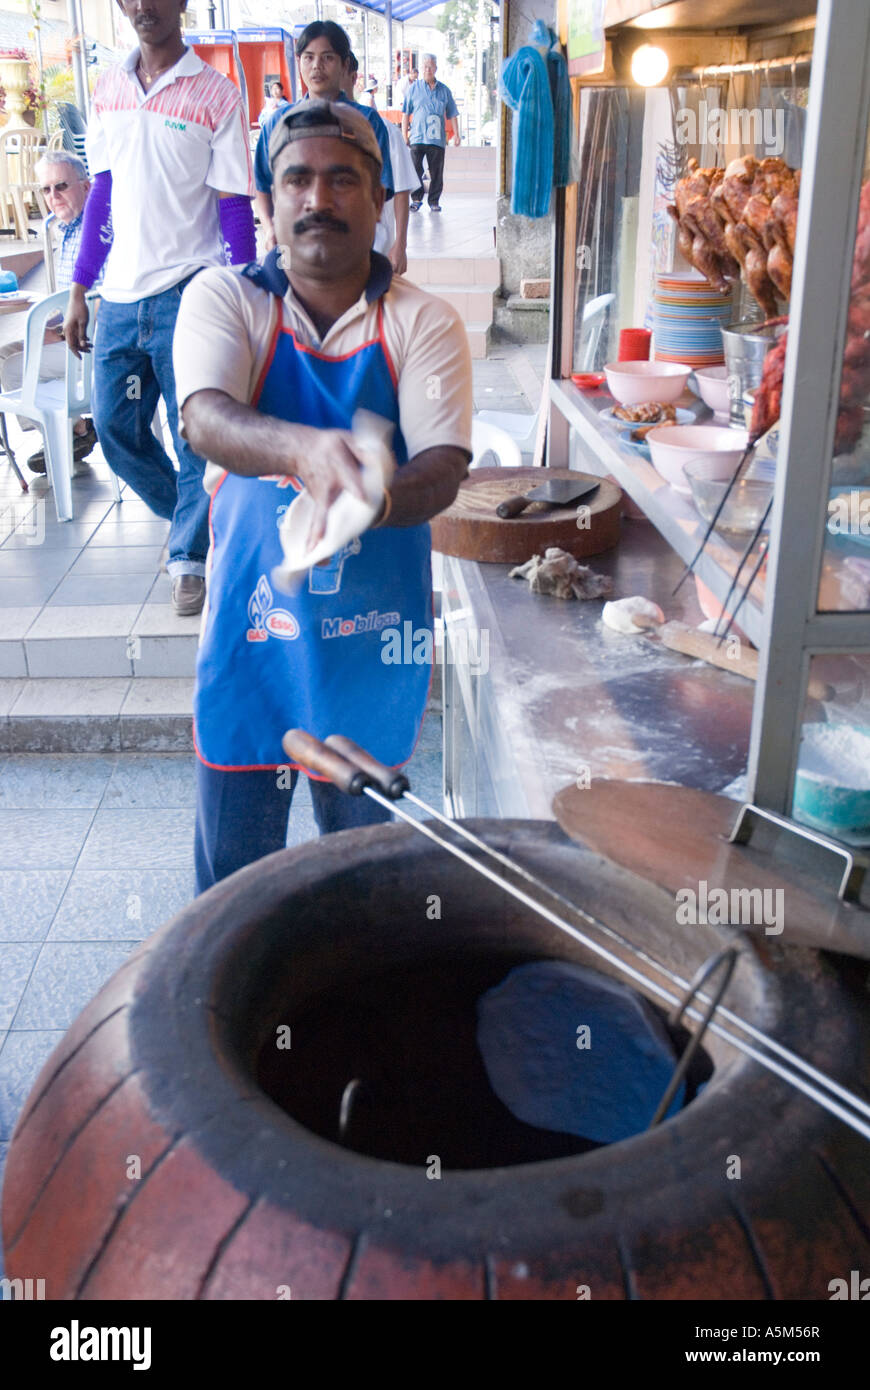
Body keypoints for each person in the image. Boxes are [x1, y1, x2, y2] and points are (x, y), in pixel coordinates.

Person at [173, 100, 472, 892]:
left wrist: (367, 501)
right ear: (267, 203)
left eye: (344, 180)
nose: (319, 199)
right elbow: (206, 417)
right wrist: (307, 452)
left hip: (372, 646)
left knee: (367, 882)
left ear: (380, 201)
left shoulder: (424, 321)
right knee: (236, 884)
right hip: (250, 640)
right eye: (297, 178)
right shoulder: (227, 300)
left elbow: (442, 468)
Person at [63, 0, 255, 617]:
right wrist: (78, 287)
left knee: (194, 432)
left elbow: (231, 203)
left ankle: (188, 561)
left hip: (190, 291)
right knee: (116, 432)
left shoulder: (217, 94)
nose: (145, 6)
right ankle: (194, 525)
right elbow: (102, 197)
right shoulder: (108, 88)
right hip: (117, 297)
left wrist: (245, 287)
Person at [253, 20, 393, 251]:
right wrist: (270, 229)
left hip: (349, 241)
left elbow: (381, 187)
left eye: (327, 57)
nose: (316, 66)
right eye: (308, 57)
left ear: (345, 64)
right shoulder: (278, 122)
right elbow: (262, 184)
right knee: (283, 286)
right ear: (298, 62)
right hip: (290, 243)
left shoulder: (366, 122)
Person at [0, 152, 98, 475]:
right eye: (45, 190)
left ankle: (66, 438)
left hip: (93, 347)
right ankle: (76, 429)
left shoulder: (95, 231)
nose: (52, 197)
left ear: (85, 186)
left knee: (15, 369)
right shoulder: (65, 229)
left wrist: (54, 333)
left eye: (61, 186)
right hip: (72, 335)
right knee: (5, 355)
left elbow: (100, 302)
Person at [343, 53, 414, 274]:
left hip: (374, 246)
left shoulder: (382, 129)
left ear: (353, 78)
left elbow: (402, 189)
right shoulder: (307, 128)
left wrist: (400, 245)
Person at [402, 53, 460, 213]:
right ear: (422, 69)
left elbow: (453, 113)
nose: (428, 69)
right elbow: (405, 112)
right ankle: (416, 198)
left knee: (436, 172)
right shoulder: (414, 88)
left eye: (430, 66)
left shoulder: (444, 90)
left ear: (435, 69)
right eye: (425, 66)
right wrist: (404, 134)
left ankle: (434, 201)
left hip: (437, 139)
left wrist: (457, 134)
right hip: (417, 137)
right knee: (415, 169)